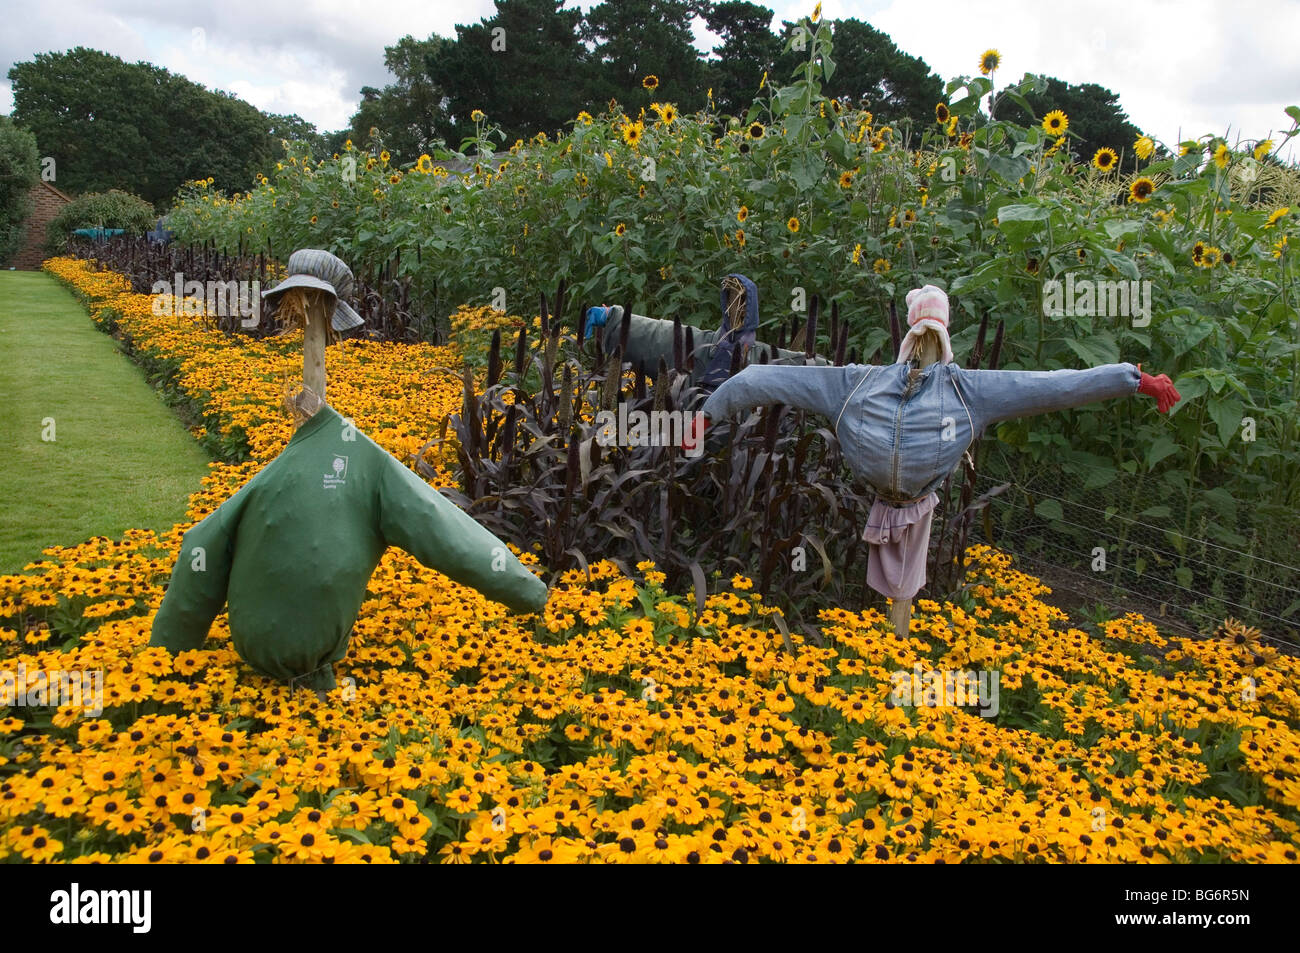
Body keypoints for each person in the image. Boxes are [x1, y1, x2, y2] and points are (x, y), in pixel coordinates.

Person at [687, 284, 1181, 636]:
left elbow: (1052, 386)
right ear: (936, 336)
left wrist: (1129, 379)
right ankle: (890, 643)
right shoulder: (899, 384)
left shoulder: (929, 387)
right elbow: (1054, 385)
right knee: (900, 579)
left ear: (920, 336)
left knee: (898, 575)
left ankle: (887, 642)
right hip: (902, 490)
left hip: (902, 492)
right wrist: (1133, 380)